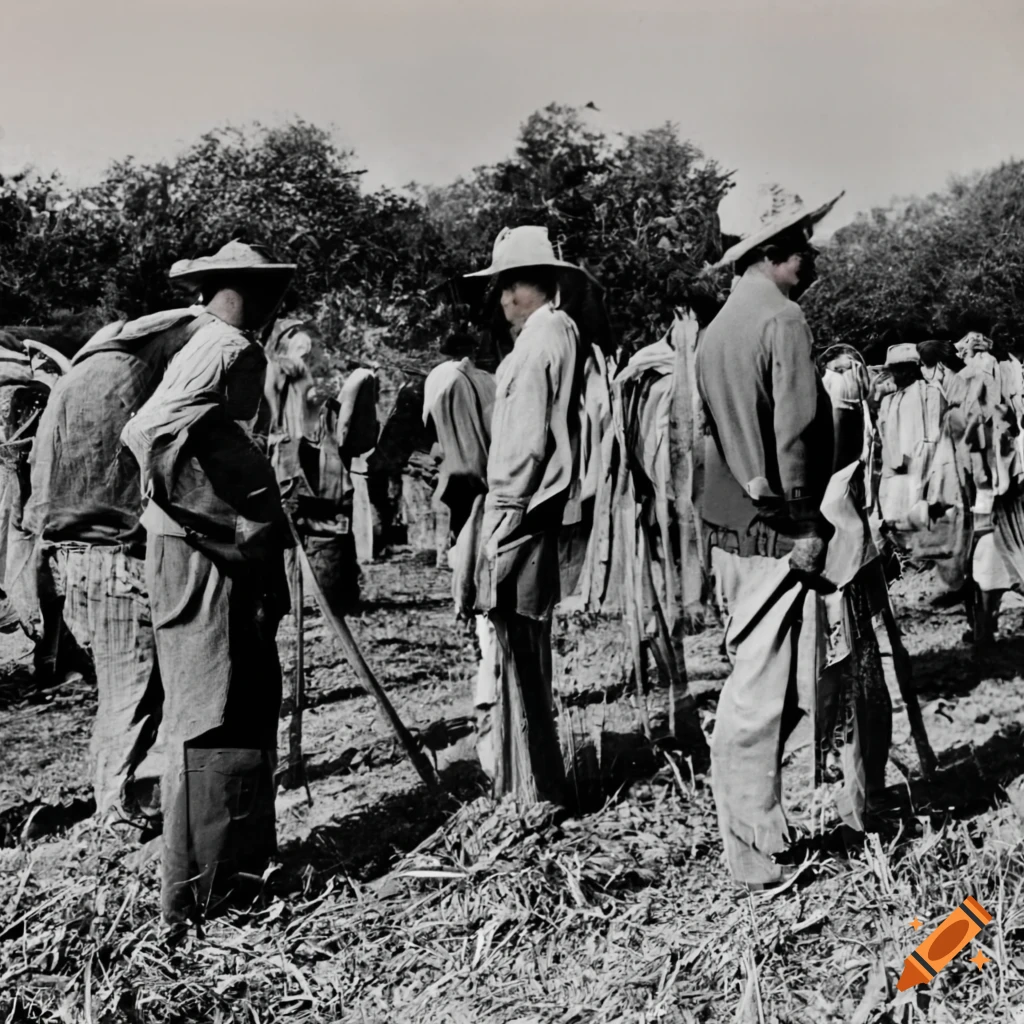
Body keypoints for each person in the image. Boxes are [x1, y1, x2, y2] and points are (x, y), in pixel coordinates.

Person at [696, 192, 892, 890]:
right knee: (760, 692)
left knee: (758, 678)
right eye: (803, 244)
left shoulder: (719, 325)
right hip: (777, 528)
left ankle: (754, 835)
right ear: (772, 251)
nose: (812, 257)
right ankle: (753, 848)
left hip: (735, 529)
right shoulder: (781, 318)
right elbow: (792, 435)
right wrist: (808, 524)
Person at [120, 241, 294, 930]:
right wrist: (226, 522)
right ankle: (211, 891)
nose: (270, 301)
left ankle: (216, 879)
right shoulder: (228, 348)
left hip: (192, 545)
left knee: (221, 698)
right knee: (217, 704)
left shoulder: (214, 345)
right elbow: (151, 431)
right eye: (254, 288)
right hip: (200, 553)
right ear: (224, 290)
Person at [460, 226, 587, 806]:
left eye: (517, 285)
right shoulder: (557, 334)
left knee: (516, 652)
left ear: (544, 286)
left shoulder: (539, 344)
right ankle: (532, 779)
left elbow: (524, 444)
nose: (506, 298)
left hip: (525, 512)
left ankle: (530, 786)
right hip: (537, 511)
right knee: (524, 653)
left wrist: (502, 518)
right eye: (504, 287)